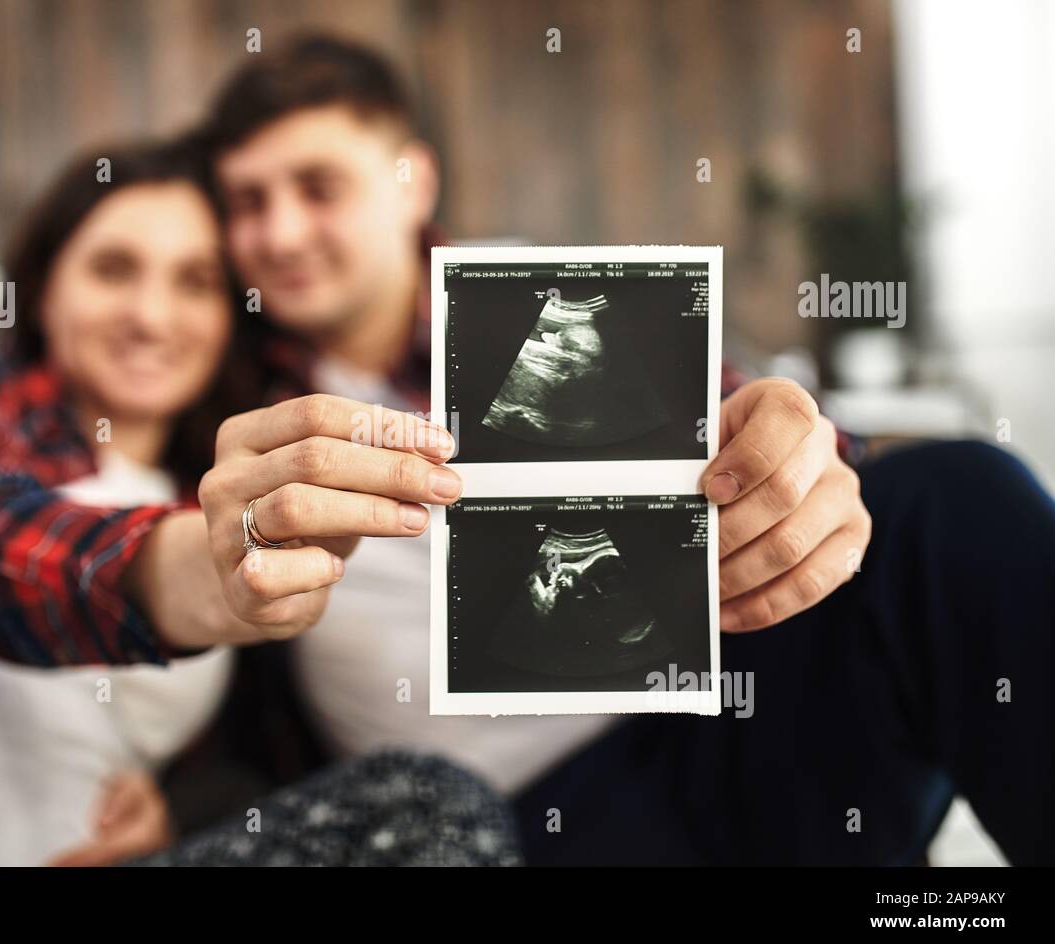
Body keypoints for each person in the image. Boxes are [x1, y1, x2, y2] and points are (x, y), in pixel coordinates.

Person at [184, 35, 1054, 864]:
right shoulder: (215, 399)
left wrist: (816, 465)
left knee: (952, 492)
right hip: (478, 826)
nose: (282, 234)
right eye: (248, 202)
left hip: (713, 736)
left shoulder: (559, 306)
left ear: (413, 183)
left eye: (318, 187)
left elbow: (784, 454)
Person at [0, 137, 518, 867]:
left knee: (425, 804)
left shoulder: (234, 486)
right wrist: (194, 567)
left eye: (195, 282)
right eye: (114, 270)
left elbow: (267, 773)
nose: (151, 317)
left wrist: (182, 810)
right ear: (46, 281)